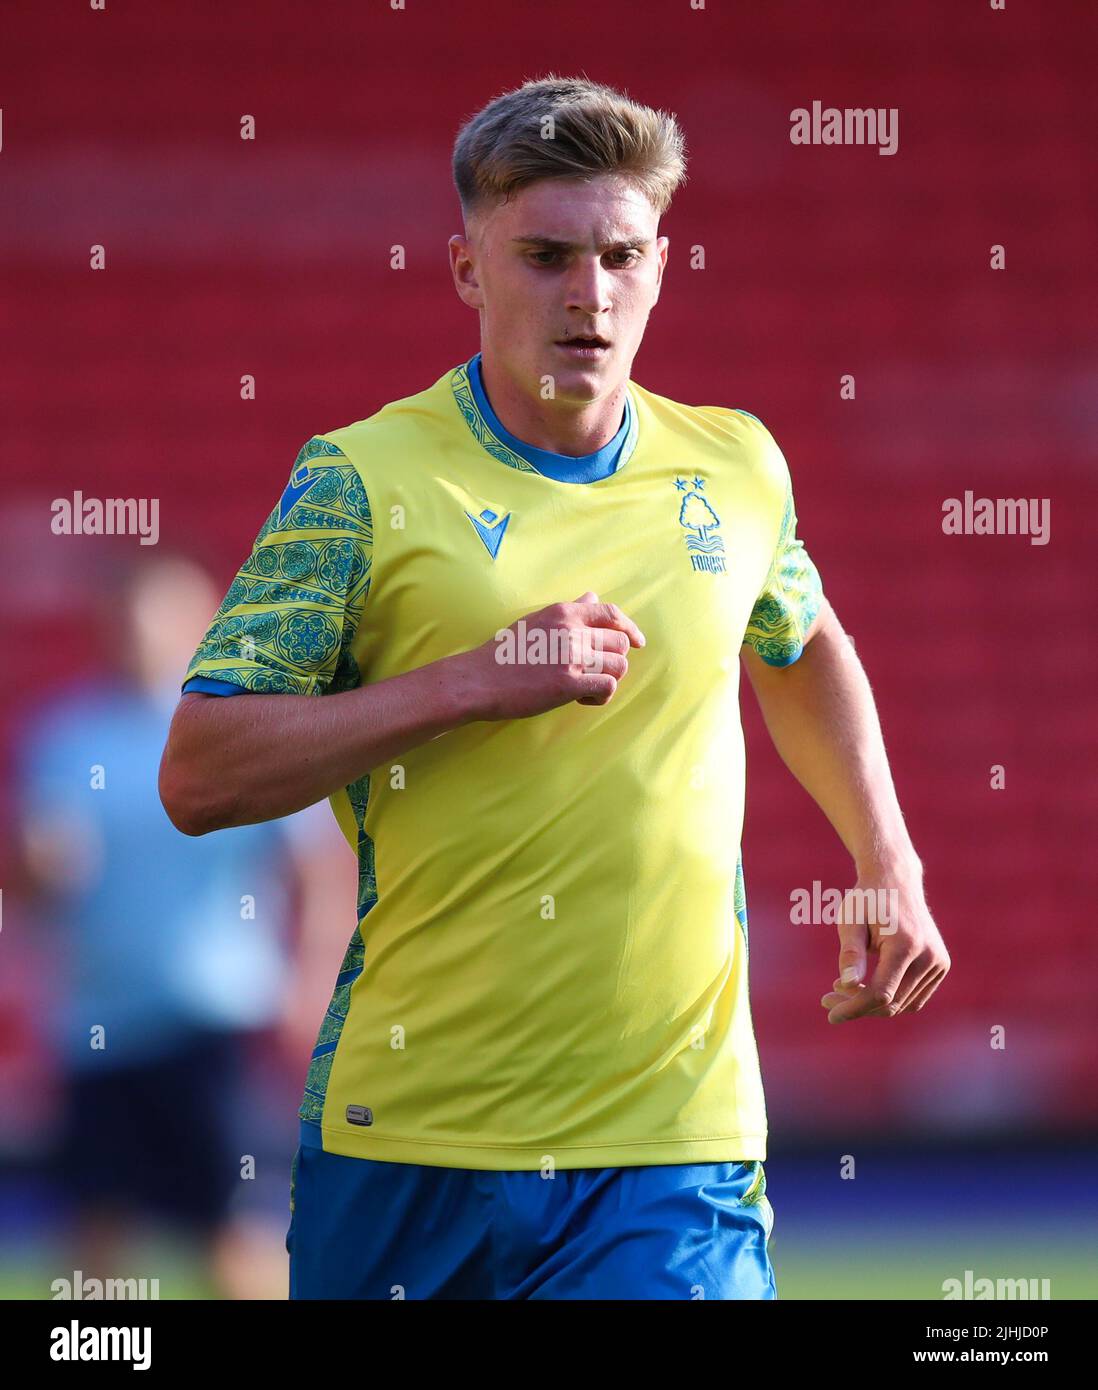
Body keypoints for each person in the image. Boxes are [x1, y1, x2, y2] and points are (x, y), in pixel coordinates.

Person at [159, 74, 949, 1300]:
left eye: (619, 256)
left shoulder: (736, 465)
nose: (588, 294)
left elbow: (799, 639)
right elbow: (199, 771)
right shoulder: (358, 484)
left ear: (661, 266)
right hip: (412, 1138)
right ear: (468, 270)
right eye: (544, 256)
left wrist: (884, 857)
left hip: (668, 1150)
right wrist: (468, 682)